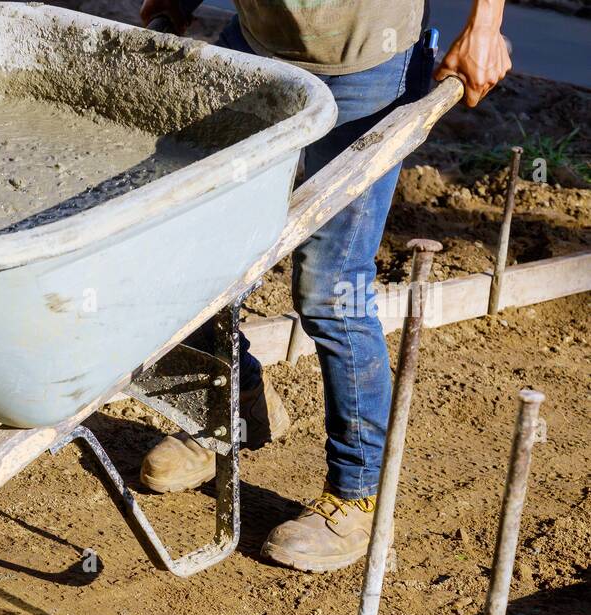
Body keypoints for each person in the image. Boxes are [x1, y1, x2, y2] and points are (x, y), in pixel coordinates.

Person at [135, 0, 511, 571]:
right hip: (259, 50)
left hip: (368, 67)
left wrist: (485, 25)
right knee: (194, 251)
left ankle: (355, 493)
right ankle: (230, 407)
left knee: (332, 291)